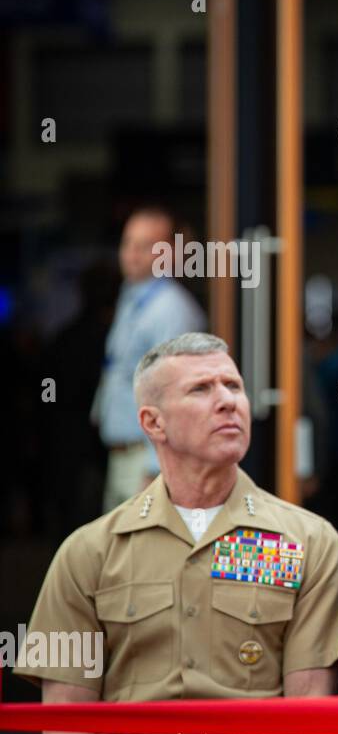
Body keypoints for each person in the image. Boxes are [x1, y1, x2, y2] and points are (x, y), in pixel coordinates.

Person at [0, 333, 338, 734]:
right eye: (201, 390)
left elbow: (312, 709)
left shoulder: (308, 541)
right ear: (152, 422)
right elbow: (63, 722)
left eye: (233, 387)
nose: (228, 402)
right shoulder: (88, 549)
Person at [93, 205, 207, 512]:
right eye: (127, 243)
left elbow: (173, 392)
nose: (131, 254)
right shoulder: (132, 297)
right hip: (123, 455)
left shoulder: (171, 310)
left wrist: (154, 466)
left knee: (143, 555)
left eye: (144, 246)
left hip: (148, 462)